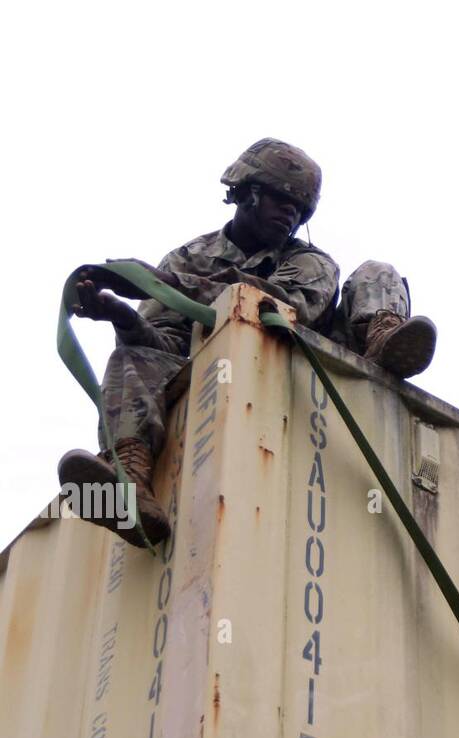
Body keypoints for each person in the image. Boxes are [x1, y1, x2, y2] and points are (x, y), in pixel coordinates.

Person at [59, 138, 340, 547]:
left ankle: (383, 332)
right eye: (281, 198)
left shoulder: (311, 261)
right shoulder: (190, 257)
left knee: (378, 272)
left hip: (299, 372)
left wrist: (164, 284)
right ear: (247, 192)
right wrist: (122, 316)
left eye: (299, 208)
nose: (290, 213)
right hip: (224, 373)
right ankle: (129, 483)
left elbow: (283, 305)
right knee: (130, 356)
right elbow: (166, 346)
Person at [327, 259, 437, 379]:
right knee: (318, 263)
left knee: (378, 269)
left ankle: (380, 338)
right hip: (311, 328)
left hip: (345, 343)